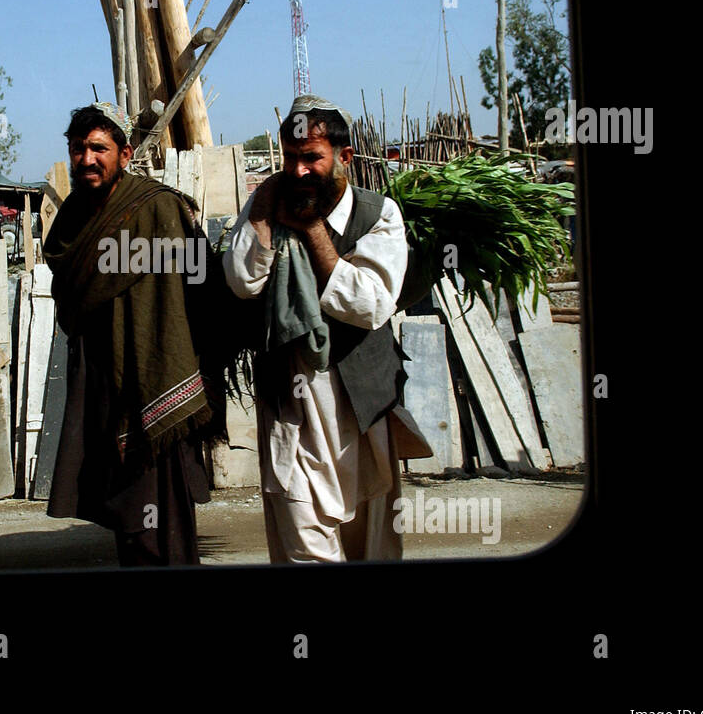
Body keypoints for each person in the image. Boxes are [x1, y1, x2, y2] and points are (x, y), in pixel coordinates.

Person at [222, 95, 432, 563]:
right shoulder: (268, 205)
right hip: (292, 413)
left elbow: (372, 303)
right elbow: (241, 280)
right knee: (304, 548)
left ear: (345, 158)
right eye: (291, 158)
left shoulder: (379, 215)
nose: (298, 171)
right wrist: (261, 213)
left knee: (371, 549)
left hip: (363, 414)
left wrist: (313, 231)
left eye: (312, 157)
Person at [43, 103, 224, 566]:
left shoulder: (157, 208)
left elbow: (202, 288)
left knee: (160, 521)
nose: (87, 159)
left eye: (98, 148)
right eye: (78, 148)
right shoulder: (70, 222)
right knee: (128, 518)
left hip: (156, 376)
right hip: (102, 383)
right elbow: (71, 291)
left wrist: (184, 355)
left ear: (124, 154)